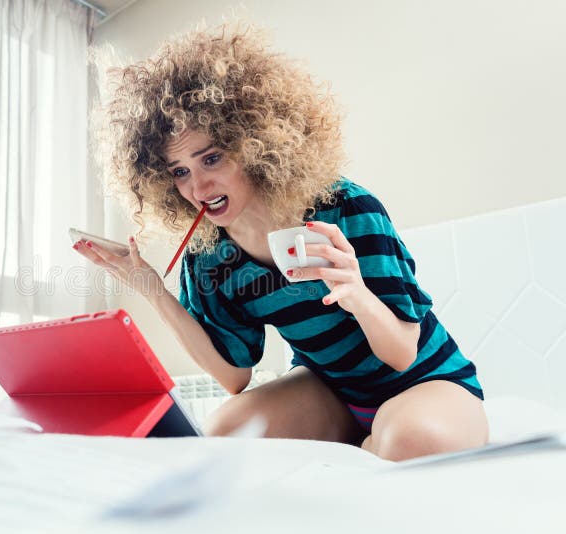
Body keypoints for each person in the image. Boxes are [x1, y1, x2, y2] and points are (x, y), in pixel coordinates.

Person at [76, 24, 488, 461]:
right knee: (222, 436)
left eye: (211, 158)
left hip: (423, 379)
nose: (197, 185)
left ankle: (372, 446)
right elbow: (233, 376)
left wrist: (356, 294)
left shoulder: (344, 207)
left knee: (412, 442)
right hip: (329, 389)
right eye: (179, 171)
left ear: (252, 144)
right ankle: (362, 441)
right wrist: (153, 292)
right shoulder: (210, 254)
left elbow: (402, 353)